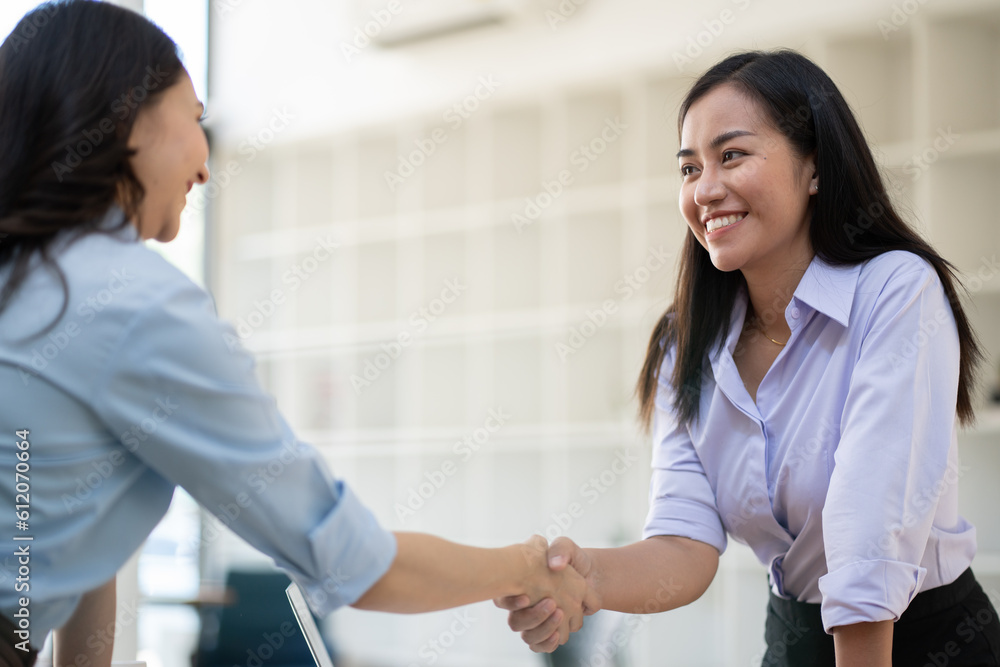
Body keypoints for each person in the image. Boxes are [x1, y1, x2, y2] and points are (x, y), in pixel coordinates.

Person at [0, 2, 594, 665]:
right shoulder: (136, 303)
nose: (204, 165)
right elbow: (352, 559)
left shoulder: (30, 279)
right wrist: (524, 567)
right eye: (195, 120)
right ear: (126, 117)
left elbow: (61, 532)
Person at [497, 49, 1000, 666]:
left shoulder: (895, 290)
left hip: (915, 640)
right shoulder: (685, 343)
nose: (705, 190)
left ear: (814, 166)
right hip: (792, 641)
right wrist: (581, 579)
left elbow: (869, 526)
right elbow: (685, 545)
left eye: (731, 155)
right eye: (688, 169)